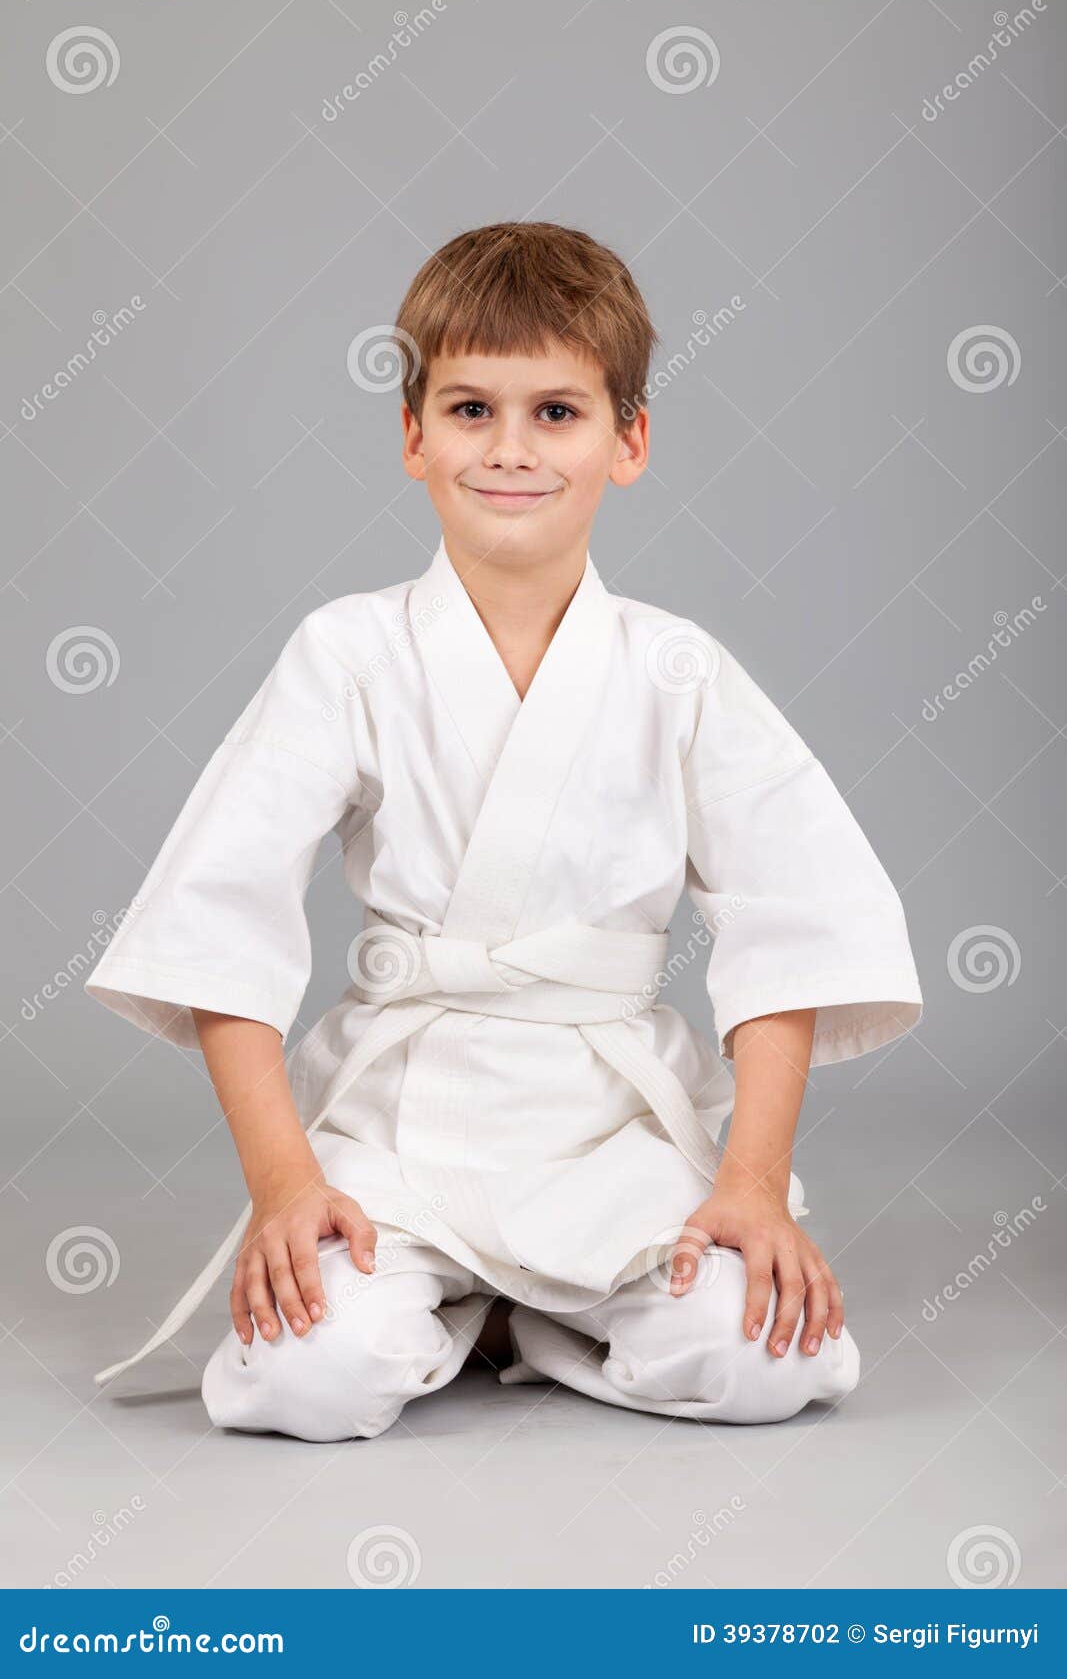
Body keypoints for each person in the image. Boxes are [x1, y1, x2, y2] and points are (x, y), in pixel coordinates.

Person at [85, 221, 922, 1442]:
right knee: (305, 1378)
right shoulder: (347, 651)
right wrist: (285, 1186)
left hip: (608, 1118)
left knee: (758, 1363)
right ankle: (456, 1295)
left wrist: (747, 1185)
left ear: (626, 440)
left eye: (556, 413)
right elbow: (218, 921)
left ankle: (527, 1319)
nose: (511, 449)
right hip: (402, 1114)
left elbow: (792, 925)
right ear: (413, 436)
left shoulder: (676, 670)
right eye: (472, 409)